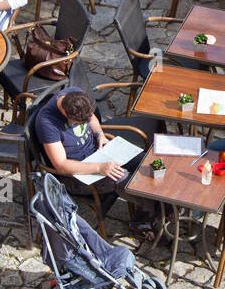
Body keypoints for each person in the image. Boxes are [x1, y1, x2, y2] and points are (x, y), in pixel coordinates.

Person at [31, 87, 156, 233]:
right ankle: (151, 216)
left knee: (144, 162)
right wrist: (99, 168)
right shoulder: (47, 122)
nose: (82, 124)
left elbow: (92, 118)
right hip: (77, 175)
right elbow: (61, 165)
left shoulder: (76, 93)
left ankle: (155, 208)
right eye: (77, 123)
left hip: (99, 154)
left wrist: (99, 135)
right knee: (125, 179)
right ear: (65, 113)